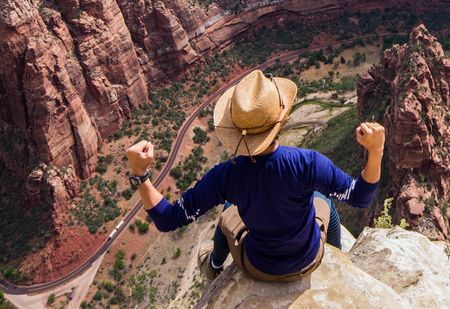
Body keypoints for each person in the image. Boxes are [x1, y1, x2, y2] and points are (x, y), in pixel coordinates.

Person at [125, 69, 386, 282]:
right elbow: (360, 197)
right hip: (309, 260)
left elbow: (169, 219)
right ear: (280, 120)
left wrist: (140, 174)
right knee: (324, 201)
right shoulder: (307, 163)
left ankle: (213, 265)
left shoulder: (226, 176)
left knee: (228, 210)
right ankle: (334, 257)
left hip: (259, 268)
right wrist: (376, 151)